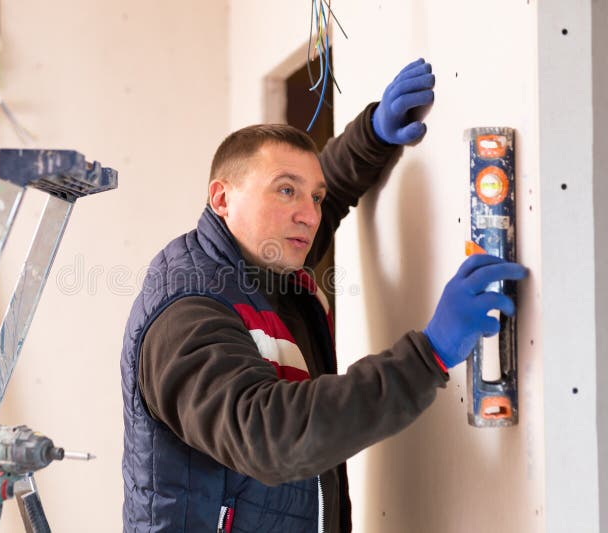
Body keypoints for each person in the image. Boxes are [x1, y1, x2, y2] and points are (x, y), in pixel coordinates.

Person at [120, 58, 527, 533]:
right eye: (285, 190)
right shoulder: (187, 313)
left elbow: (322, 201)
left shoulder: (262, 261)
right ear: (222, 199)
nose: (308, 215)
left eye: (312, 197)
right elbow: (269, 436)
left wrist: (371, 135)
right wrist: (427, 355)